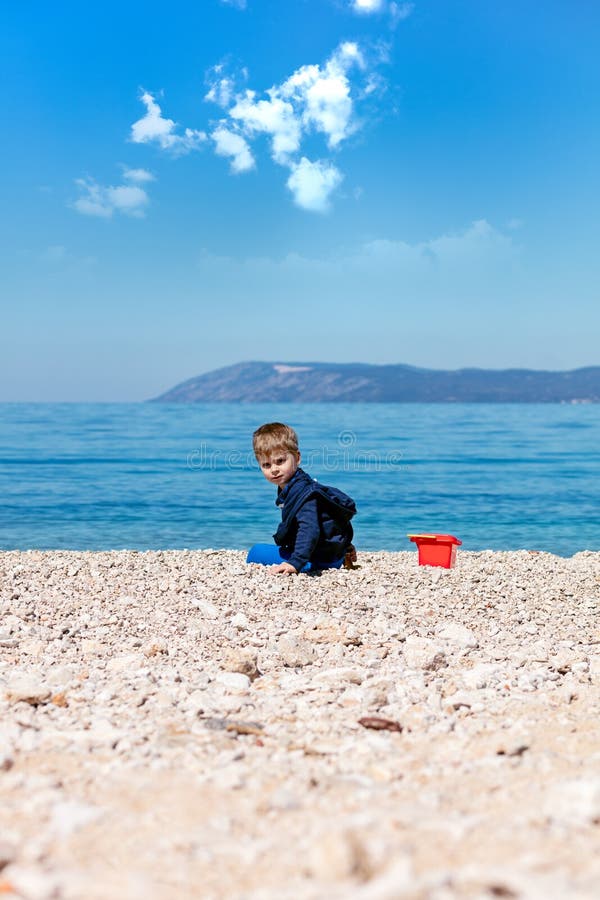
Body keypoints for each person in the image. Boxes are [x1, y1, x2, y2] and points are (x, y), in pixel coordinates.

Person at [247, 422, 357, 576]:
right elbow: (325, 521)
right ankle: (338, 554)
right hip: (328, 554)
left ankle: (308, 562)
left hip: (319, 559)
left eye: (280, 461)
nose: (274, 469)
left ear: (297, 458)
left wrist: (295, 563)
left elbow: (309, 529)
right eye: (266, 465)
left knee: (255, 552)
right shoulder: (296, 485)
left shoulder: (305, 494)